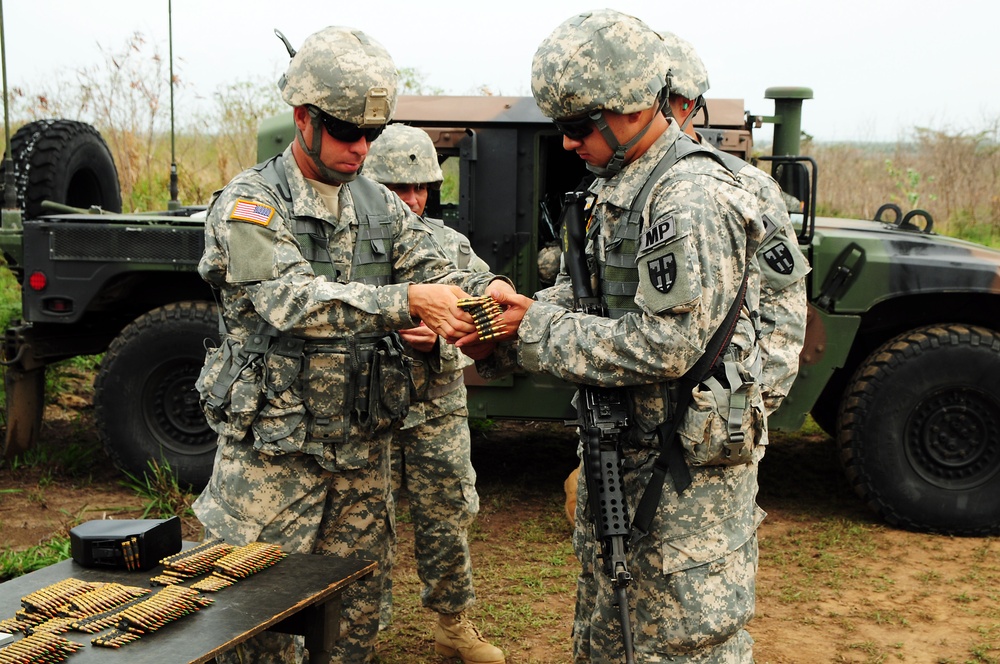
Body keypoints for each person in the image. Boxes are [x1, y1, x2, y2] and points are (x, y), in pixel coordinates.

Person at [192, 26, 516, 663]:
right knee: (256, 625)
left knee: (353, 620)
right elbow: (287, 300)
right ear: (302, 119)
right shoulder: (251, 205)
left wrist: (486, 289)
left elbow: (429, 260)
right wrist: (405, 303)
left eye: (370, 133)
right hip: (276, 459)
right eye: (345, 132)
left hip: (362, 454)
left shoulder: (376, 203)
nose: (360, 148)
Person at [466, 9, 768, 662]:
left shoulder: (685, 199)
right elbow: (588, 299)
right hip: (627, 458)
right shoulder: (619, 190)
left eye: (576, 127)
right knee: (609, 639)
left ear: (630, 108)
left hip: (681, 485)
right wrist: (508, 320)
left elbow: (667, 346)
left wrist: (533, 328)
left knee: (675, 647)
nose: (568, 144)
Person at [363, 123, 504, 664]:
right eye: (400, 188)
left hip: (437, 407)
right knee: (365, 526)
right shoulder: (350, 250)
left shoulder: (451, 247)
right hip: (368, 411)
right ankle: (361, 633)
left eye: (422, 186)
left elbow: (487, 318)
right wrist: (391, 321)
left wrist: (448, 332)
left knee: (446, 514)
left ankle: (453, 625)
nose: (414, 199)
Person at [660, 29, 810, 415]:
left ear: (686, 103)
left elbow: (784, 302)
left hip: (715, 415)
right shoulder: (615, 188)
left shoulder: (746, 186)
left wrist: (753, 405)